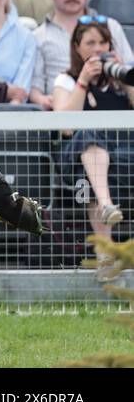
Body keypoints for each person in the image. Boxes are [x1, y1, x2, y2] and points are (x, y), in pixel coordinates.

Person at [51, 20, 131, 267]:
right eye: (90, 43)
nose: (98, 49)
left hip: (121, 153)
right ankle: (106, 208)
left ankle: (104, 254)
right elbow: (66, 126)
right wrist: (83, 81)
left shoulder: (121, 78)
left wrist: (125, 77)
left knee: (94, 174)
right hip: (78, 153)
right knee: (87, 138)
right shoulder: (65, 80)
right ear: (77, 47)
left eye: (103, 42)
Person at [30, 0, 134, 108]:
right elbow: (35, 88)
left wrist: (122, 72)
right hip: (61, 105)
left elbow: (129, 70)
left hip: (110, 99)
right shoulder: (38, 36)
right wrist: (45, 101)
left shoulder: (111, 26)